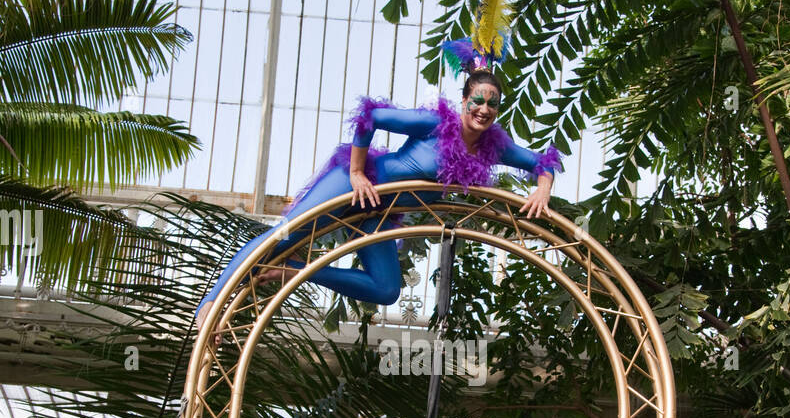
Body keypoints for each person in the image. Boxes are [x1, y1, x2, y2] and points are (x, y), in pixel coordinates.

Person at [195, 70, 562, 331]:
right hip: (357, 186)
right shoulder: (434, 122)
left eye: (492, 104)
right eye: (477, 101)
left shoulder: (493, 147)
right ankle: (210, 303)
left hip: (382, 214)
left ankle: (296, 270)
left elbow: (543, 162)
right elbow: (370, 117)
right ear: (464, 101)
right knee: (284, 235)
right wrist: (356, 173)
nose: (484, 109)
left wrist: (542, 189)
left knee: (386, 290)